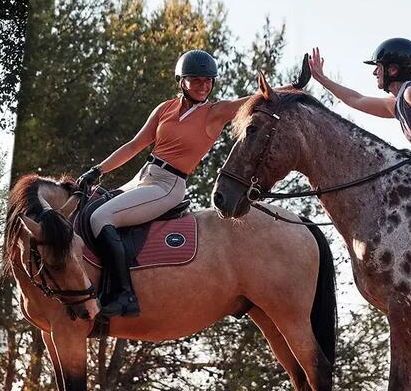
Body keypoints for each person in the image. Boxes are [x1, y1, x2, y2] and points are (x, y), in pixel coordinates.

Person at [77, 50, 309, 317]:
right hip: (143, 177)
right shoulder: (164, 109)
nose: (203, 85)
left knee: (100, 218)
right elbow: (133, 146)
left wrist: (295, 85)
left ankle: (124, 296)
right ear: (182, 81)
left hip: (167, 186)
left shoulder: (215, 112)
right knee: (87, 207)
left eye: (208, 80)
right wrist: (97, 171)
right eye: (196, 80)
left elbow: (257, 98)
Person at [307, 38, 411, 330]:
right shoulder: (398, 104)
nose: (374, 73)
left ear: (392, 69)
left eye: (377, 67)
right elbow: (355, 100)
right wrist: (323, 79)